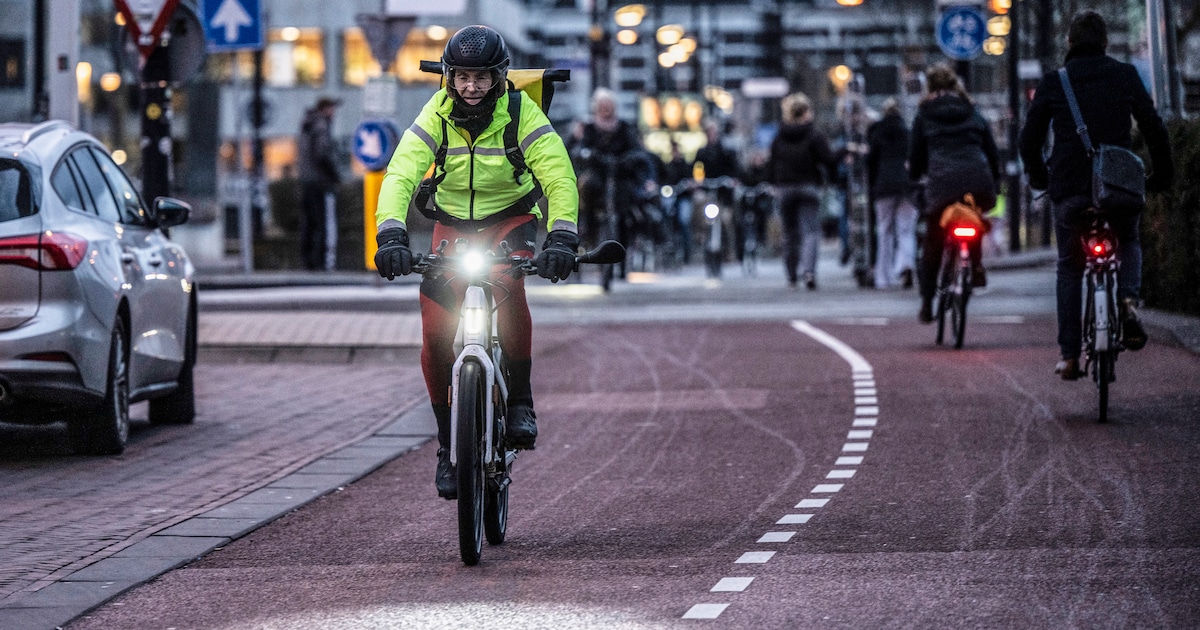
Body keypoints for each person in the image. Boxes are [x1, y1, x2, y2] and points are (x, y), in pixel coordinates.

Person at [372, 25, 580, 499]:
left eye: (480, 78)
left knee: (510, 288)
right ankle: (448, 445)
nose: (469, 87)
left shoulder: (521, 113)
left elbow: (558, 174)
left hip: (511, 221)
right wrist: (391, 233)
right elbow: (402, 170)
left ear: (500, 77)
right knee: (434, 329)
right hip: (451, 225)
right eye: (461, 76)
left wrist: (562, 235)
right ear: (448, 77)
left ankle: (521, 399)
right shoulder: (436, 112)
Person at [1019, 10, 1173, 380]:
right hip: (1118, 186)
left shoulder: (1055, 82)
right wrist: (1160, 176)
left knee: (1070, 266)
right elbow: (1153, 126)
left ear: (1069, 43)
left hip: (1070, 189)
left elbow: (1029, 140)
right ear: (1106, 42)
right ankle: (1128, 299)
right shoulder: (1124, 75)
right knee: (1130, 239)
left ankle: (1070, 356)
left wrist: (1043, 178)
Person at [909, 63, 1001, 322]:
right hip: (976, 179)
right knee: (973, 216)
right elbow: (991, 151)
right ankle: (977, 264)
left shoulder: (924, 114)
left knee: (934, 240)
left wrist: (915, 177)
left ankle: (927, 303)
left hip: (941, 185)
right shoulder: (972, 111)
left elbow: (915, 156)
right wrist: (995, 180)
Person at [569, 88, 656, 278]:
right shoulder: (590, 128)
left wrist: (632, 159)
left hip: (620, 176)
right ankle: (587, 229)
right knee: (587, 188)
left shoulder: (623, 127)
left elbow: (637, 150)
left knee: (629, 208)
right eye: (602, 106)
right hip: (598, 175)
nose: (606, 109)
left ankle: (624, 251)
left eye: (609, 105)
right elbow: (580, 149)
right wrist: (587, 155)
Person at [766, 92, 842, 290]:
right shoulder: (814, 135)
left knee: (789, 233)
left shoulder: (779, 136)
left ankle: (791, 276)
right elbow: (828, 159)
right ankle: (808, 272)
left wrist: (773, 183)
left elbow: (771, 163)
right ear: (805, 112)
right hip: (808, 187)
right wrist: (844, 152)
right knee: (810, 232)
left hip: (784, 188)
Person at [866, 98, 918, 289]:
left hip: (884, 185)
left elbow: (870, 161)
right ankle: (906, 265)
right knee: (906, 230)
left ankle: (883, 277)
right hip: (906, 185)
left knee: (884, 231)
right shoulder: (908, 132)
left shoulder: (877, 132)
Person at [297, 96, 342, 271]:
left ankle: (307, 260)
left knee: (308, 222)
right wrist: (334, 176)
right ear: (325, 108)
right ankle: (319, 262)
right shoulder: (321, 125)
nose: (334, 113)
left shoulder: (307, 124)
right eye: (332, 108)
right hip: (319, 181)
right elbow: (322, 154)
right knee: (321, 222)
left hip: (306, 180)